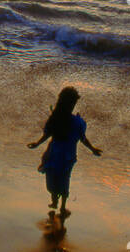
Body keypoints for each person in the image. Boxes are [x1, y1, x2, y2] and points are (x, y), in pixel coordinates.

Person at [27, 85, 101, 216]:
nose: (73, 105)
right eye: (73, 103)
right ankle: (61, 206)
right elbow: (83, 138)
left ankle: (56, 202)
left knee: (53, 178)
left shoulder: (56, 118)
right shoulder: (76, 122)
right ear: (71, 104)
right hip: (66, 156)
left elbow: (47, 134)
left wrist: (37, 144)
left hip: (54, 154)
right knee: (64, 179)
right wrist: (92, 149)